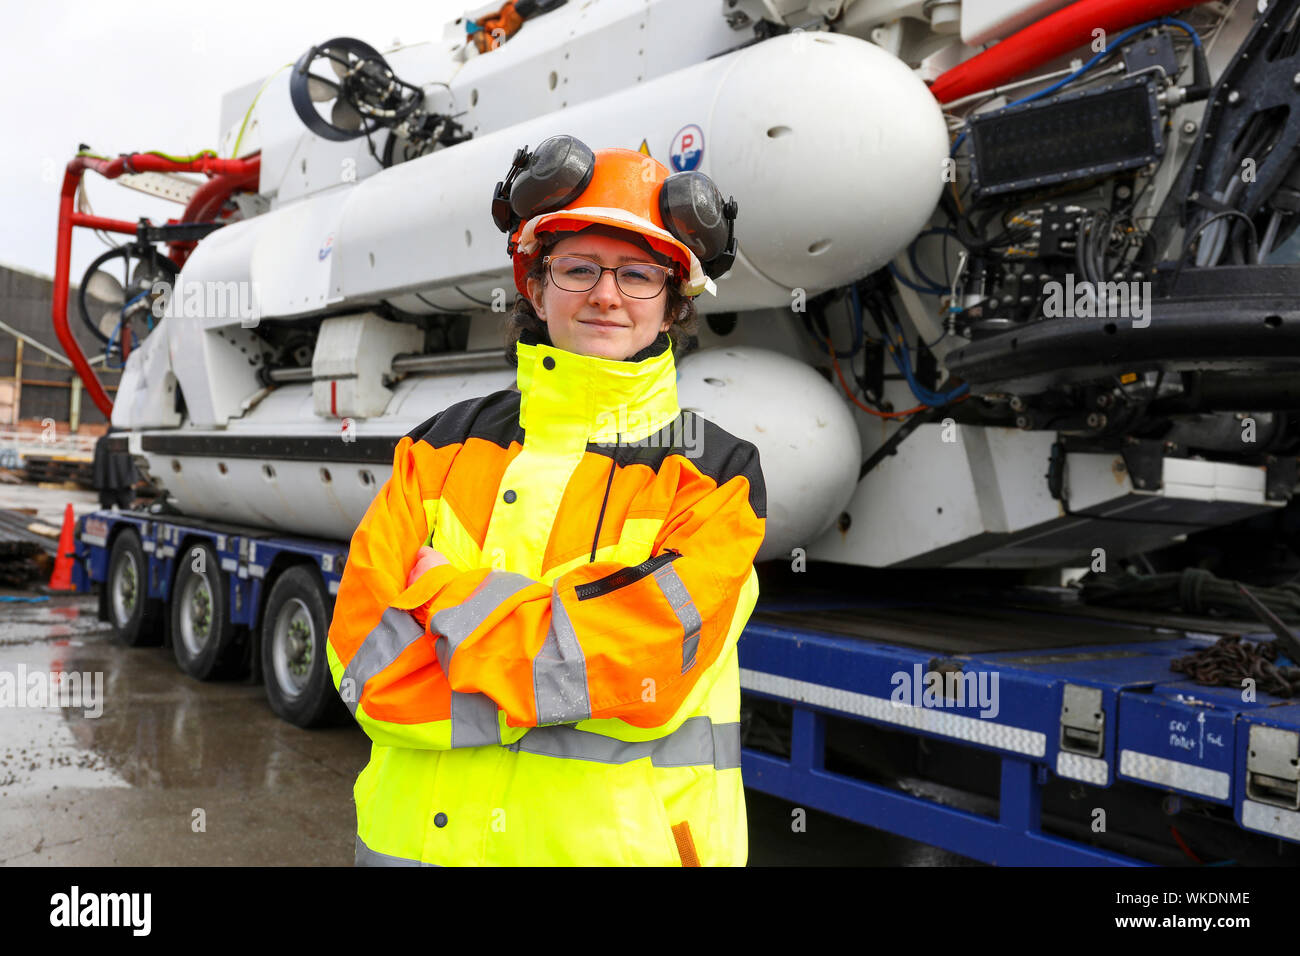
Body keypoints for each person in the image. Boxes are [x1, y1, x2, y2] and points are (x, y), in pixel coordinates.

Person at [326, 136, 765, 866]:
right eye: (578, 268)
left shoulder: (715, 476)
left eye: (638, 275)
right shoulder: (437, 447)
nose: (605, 294)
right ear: (534, 286)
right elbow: (367, 675)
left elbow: (640, 677)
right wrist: (548, 674)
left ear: (674, 303)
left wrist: (441, 594)